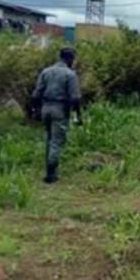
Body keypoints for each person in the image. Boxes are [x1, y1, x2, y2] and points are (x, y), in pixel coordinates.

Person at [32, 47, 82, 183]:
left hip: (45, 108)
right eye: (74, 59)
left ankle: (49, 169)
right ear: (70, 59)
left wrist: (35, 111)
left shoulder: (46, 71)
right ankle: (51, 174)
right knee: (57, 141)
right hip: (60, 110)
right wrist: (77, 115)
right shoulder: (70, 74)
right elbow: (75, 98)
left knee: (49, 139)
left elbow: (36, 94)